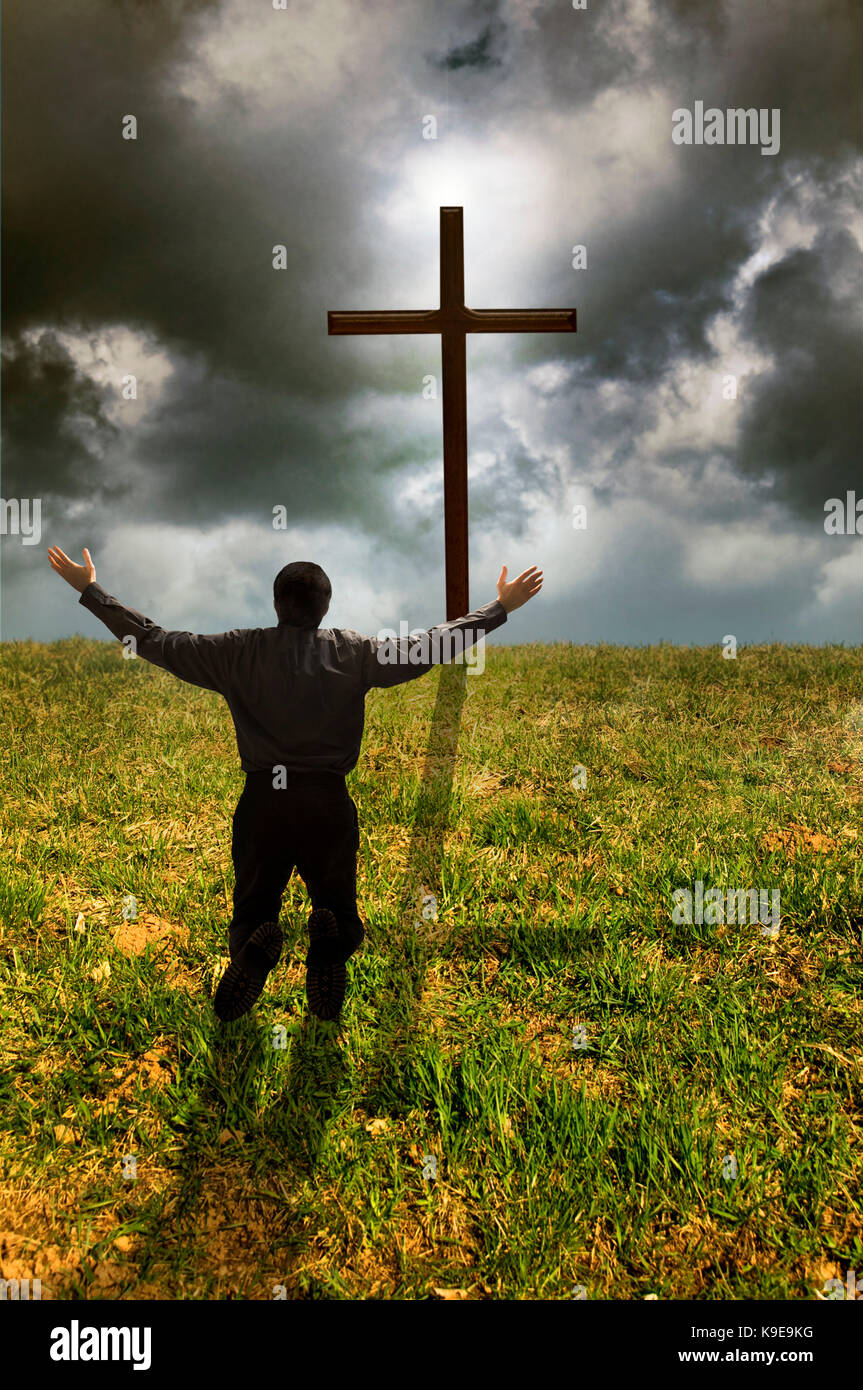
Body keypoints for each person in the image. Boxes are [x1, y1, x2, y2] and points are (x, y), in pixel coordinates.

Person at [48, 545, 543, 1022]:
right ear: (325, 607)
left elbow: (155, 641)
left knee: (254, 906)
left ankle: (254, 946)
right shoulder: (356, 652)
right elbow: (431, 645)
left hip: (264, 802)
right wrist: (500, 607)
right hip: (327, 803)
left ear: (276, 603)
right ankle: (330, 944)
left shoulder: (237, 650)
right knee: (337, 905)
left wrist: (92, 591)